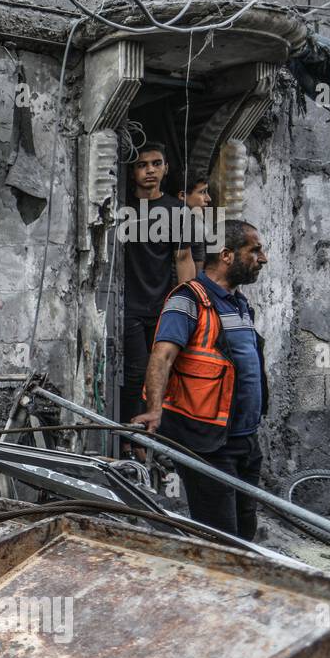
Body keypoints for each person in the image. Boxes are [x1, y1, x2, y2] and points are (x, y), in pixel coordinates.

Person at [132, 219, 270, 540]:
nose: (262, 259)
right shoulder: (188, 299)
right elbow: (162, 356)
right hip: (210, 443)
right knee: (220, 537)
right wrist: (154, 409)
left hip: (245, 441)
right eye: (255, 251)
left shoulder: (240, 304)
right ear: (226, 255)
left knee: (245, 531)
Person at [119, 143, 200, 458]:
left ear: (166, 168)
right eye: (142, 165)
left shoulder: (177, 211)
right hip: (127, 307)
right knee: (133, 373)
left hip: (162, 305)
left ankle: (149, 440)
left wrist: (189, 304)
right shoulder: (121, 208)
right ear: (132, 172)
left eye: (156, 164)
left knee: (162, 373)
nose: (150, 170)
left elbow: (183, 258)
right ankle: (128, 439)